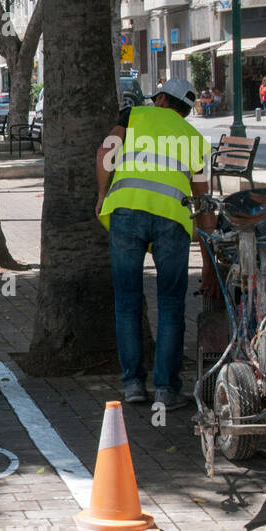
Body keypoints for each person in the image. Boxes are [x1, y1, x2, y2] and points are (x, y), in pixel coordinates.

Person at [96, 77, 217, 410]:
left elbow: (107, 151)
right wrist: (208, 264)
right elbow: (204, 206)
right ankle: (165, 390)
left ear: (161, 99)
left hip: (126, 211)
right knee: (171, 306)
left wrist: (101, 195)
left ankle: (133, 385)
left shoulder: (133, 115)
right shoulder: (196, 140)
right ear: (186, 109)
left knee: (127, 302)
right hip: (172, 221)